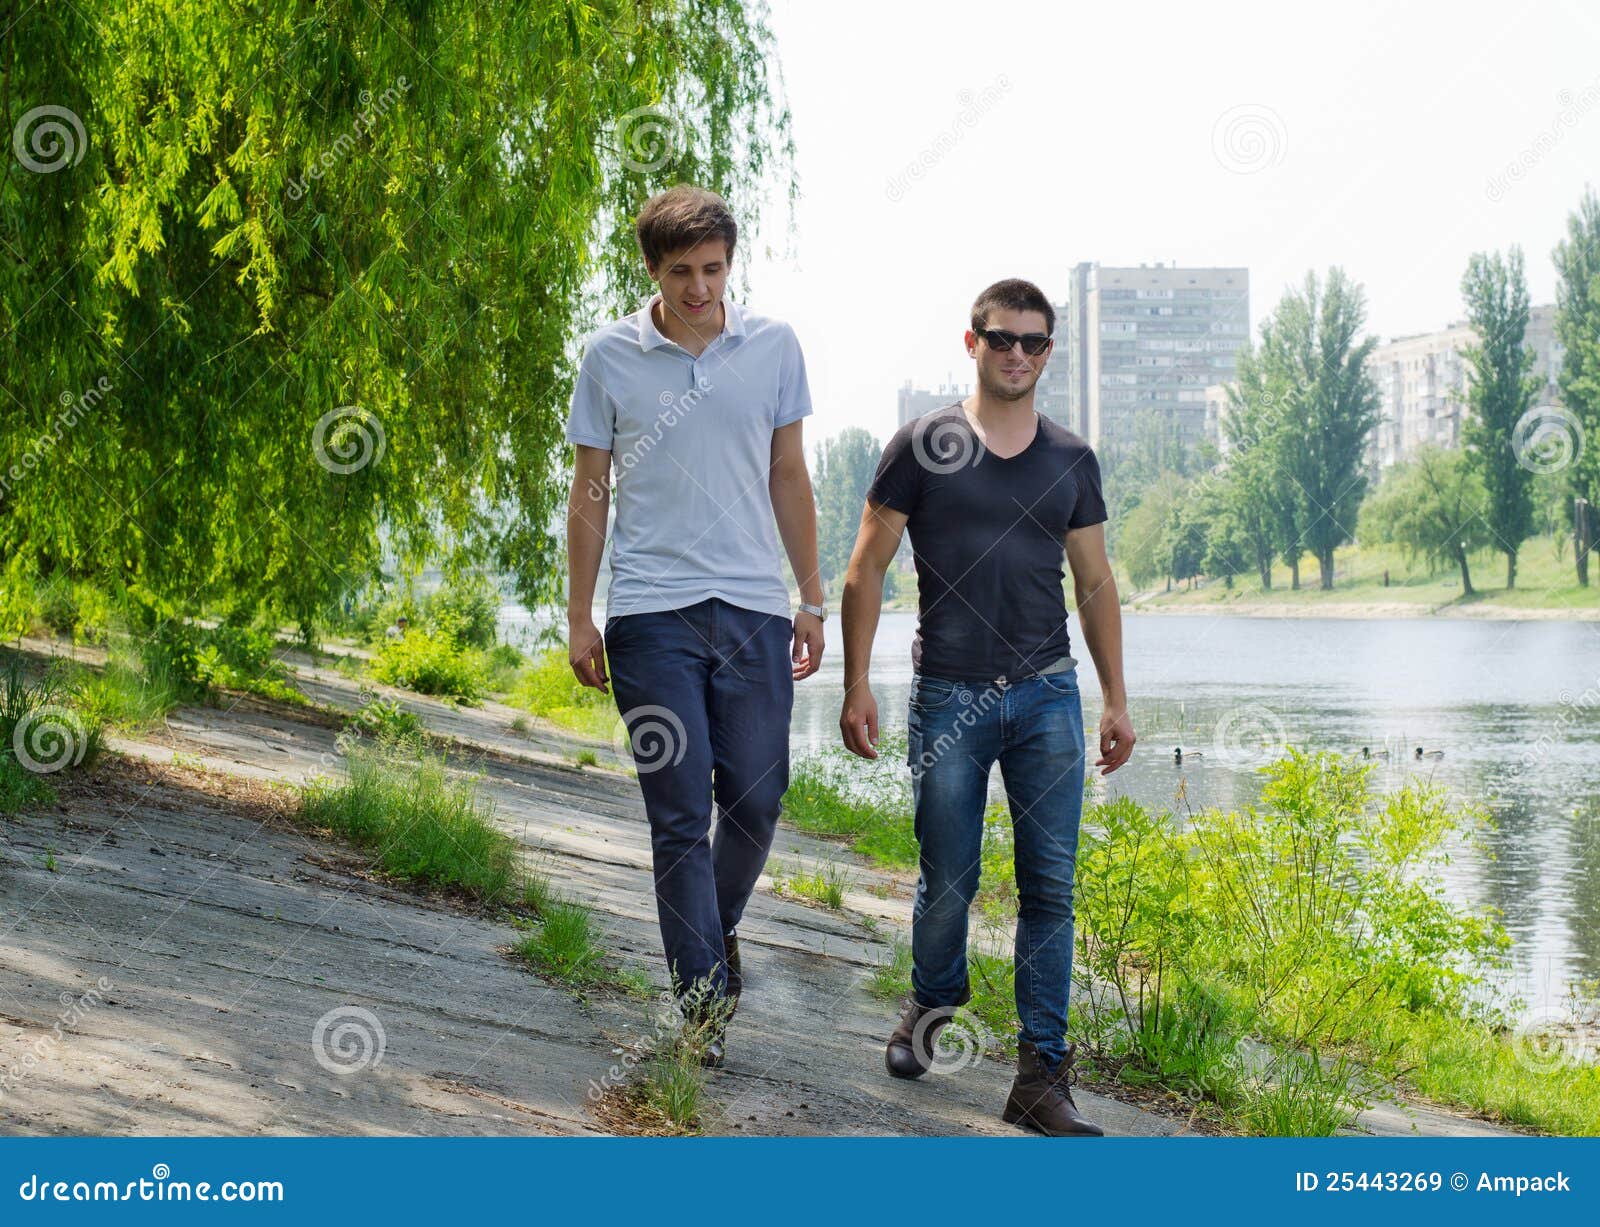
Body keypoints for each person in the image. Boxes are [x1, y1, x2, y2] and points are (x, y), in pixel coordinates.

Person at [838, 278, 1135, 1136]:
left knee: (1051, 888)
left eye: (1033, 343)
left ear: (1050, 353)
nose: (1016, 355)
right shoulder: (922, 446)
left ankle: (1041, 1074)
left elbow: (1096, 581)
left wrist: (1114, 697)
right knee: (949, 880)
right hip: (949, 695)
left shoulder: (1071, 460)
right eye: (1001, 339)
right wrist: (858, 682)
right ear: (971, 343)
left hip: (1047, 695)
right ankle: (931, 1007)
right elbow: (867, 567)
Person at [563, 184, 825, 1067]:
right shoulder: (609, 355)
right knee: (678, 813)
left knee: (756, 797)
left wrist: (812, 596)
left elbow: (790, 476)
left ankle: (711, 930)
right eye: (682, 273)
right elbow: (590, 490)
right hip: (648, 613)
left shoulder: (774, 347)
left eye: (714, 269)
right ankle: (703, 1005)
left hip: (752, 606)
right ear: (651, 269)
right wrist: (580, 616)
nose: (701, 289)